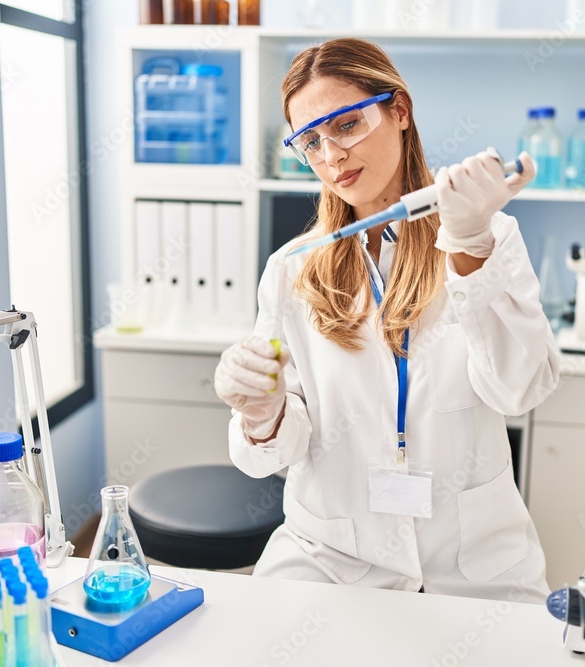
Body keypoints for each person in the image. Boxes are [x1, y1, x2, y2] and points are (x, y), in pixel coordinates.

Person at [214, 38, 560, 602]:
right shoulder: (291, 270)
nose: (332, 157)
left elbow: (519, 389)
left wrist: (469, 248)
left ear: (398, 110)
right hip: (332, 558)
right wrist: (263, 413)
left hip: (474, 567)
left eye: (347, 125)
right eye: (312, 142)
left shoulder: (489, 240)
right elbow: (275, 455)